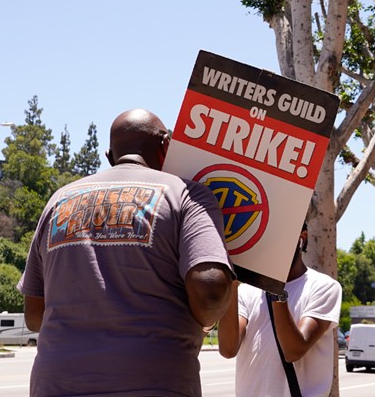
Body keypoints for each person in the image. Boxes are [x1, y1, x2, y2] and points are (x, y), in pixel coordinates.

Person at [18, 109, 234, 397]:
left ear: (110, 156)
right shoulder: (186, 195)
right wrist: (203, 323)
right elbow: (211, 290)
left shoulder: (60, 200)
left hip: (56, 385)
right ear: (166, 146)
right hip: (155, 382)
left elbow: (34, 316)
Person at [217, 222, 343, 397]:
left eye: (282, 236)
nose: (274, 244)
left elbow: (293, 350)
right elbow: (228, 349)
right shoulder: (245, 290)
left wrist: (275, 287)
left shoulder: (324, 287)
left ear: (302, 238)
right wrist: (231, 283)